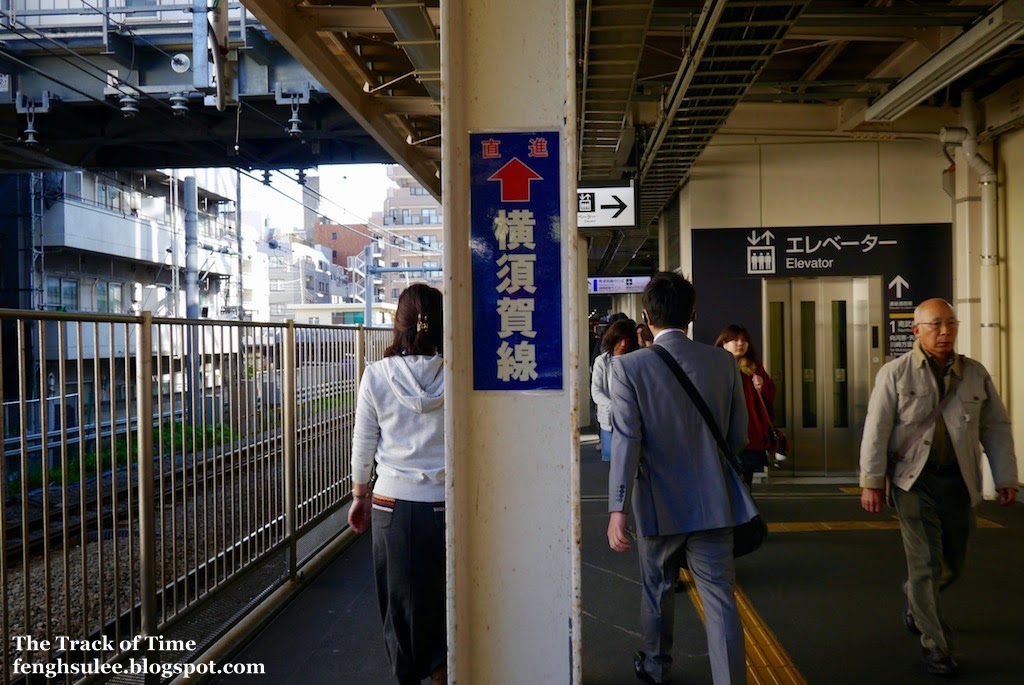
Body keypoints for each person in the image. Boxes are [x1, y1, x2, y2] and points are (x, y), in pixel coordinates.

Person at [607, 272, 757, 685]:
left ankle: (656, 666)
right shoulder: (724, 363)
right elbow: (739, 438)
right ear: (692, 314)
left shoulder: (628, 368)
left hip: (657, 505)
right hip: (714, 501)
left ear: (645, 315)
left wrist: (617, 508)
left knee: (656, 589)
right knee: (720, 598)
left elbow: (627, 442)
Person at [859, 298, 1017, 679]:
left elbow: (995, 428)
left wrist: (1005, 476)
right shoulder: (896, 373)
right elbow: (876, 429)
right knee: (925, 563)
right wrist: (871, 481)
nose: (944, 331)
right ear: (917, 331)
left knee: (954, 562)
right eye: (935, 325)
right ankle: (936, 646)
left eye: (950, 323)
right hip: (913, 482)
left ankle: (916, 597)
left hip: (959, 481)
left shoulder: (975, 374)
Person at [348, 284, 447, 685]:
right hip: (446, 502)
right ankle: (442, 669)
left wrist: (360, 496)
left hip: (392, 503)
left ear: (398, 325)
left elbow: (363, 443)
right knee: (445, 597)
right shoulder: (458, 372)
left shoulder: (376, 376)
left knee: (399, 602)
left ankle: (407, 676)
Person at [714, 324, 777, 487]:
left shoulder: (753, 368)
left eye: (744, 340)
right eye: (734, 339)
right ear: (724, 343)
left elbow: (770, 395)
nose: (740, 343)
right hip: (722, 430)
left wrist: (762, 386)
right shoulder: (715, 367)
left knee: (744, 477)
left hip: (749, 432)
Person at [591, 319, 638, 461]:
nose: (623, 344)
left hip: (631, 418)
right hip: (609, 419)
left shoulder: (635, 360)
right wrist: (613, 405)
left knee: (631, 460)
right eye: (620, 340)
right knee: (613, 461)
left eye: (627, 340)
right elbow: (596, 391)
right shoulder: (602, 361)